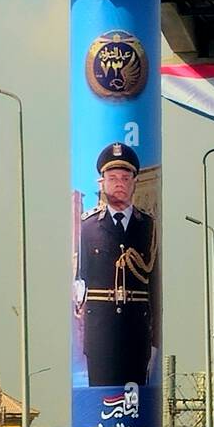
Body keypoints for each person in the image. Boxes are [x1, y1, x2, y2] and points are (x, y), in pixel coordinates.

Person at [73, 142, 158, 386]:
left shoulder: (147, 226)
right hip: (101, 329)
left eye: (124, 177)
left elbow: (154, 286)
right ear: (102, 184)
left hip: (137, 329)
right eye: (112, 178)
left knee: (137, 403)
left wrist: (155, 343)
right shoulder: (87, 229)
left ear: (134, 183)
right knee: (102, 395)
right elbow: (80, 280)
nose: (119, 183)